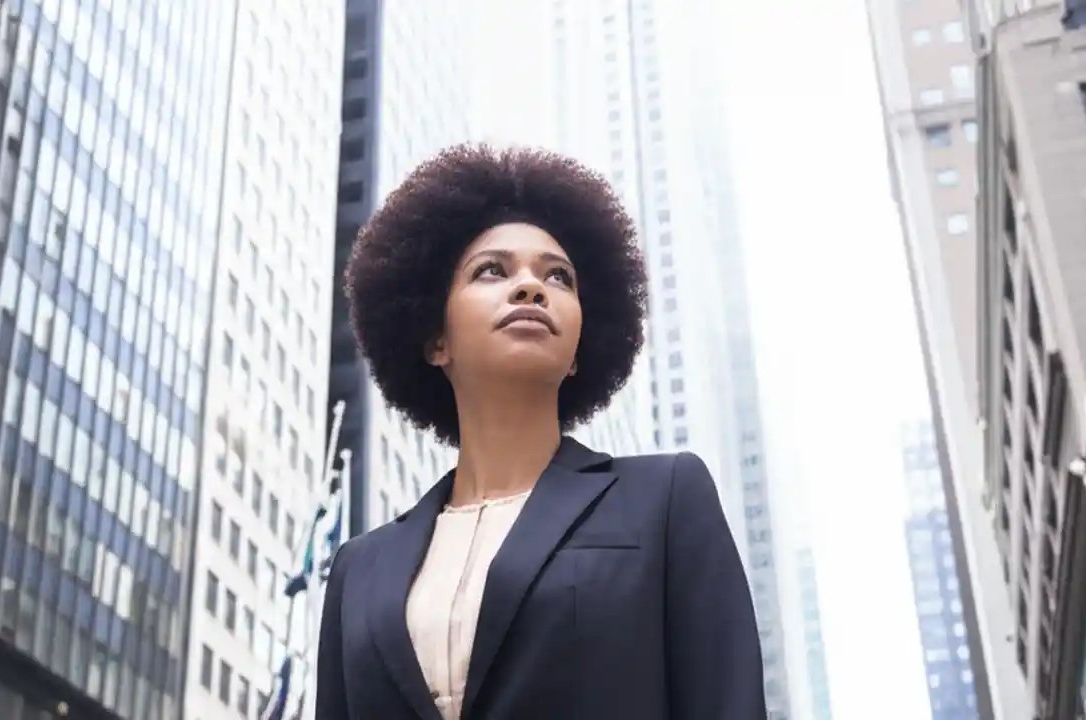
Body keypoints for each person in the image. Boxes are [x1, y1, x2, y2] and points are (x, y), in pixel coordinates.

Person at [316, 144, 766, 720]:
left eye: (558, 276)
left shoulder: (666, 498)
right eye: (491, 271)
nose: (531, 287)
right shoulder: (359, 568)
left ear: (580, 346)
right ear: (435, 340)